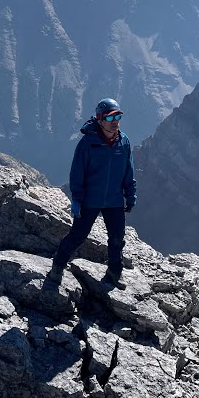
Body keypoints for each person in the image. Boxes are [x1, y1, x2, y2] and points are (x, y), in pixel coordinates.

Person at [47, 98, 137, 288]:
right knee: (77, 236)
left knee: (116, 239)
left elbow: (129, 171)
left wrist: (130, 195)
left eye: (118, 116)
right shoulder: (88, 142)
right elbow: (77, 172)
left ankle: (114, 274)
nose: (115, 121)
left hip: (114, 200)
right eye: (111, 117)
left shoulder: (124, 141)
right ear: (99, 119)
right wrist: (77, 199)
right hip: (90, 199)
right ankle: (58, 265)